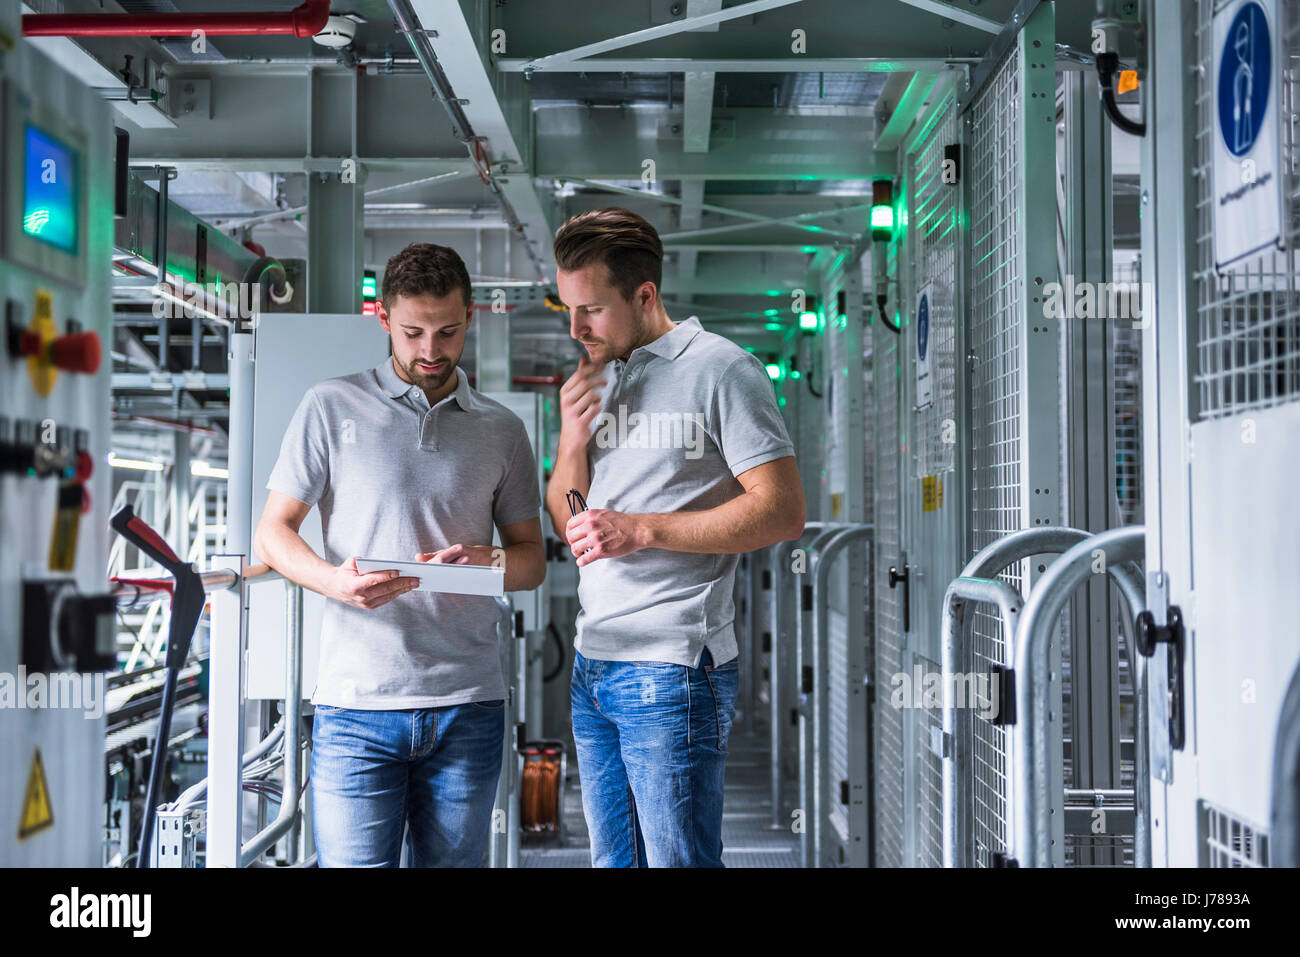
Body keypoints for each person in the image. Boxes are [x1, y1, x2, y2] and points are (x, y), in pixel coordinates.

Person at [255, 242, 545, 867]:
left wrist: (489, 562)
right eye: (413, 332)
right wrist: (332, 581)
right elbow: (274, 533)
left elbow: (532, 560)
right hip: (356, 707)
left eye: (447, 331)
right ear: (383, 318)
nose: (431, 351)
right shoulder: (330, 407)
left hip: (467, 704)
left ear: (470, 316)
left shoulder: (502, 430)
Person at [544, 207, 806, 867]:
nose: (576, 328)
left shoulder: (720, 369)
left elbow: (782, 510)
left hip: (673, 666)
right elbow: (566, 517)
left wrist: (641, 528)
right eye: (567, 308)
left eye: (592, 310)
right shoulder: (592, 380)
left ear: (645, 295)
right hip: (594, 660)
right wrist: (572, 442)